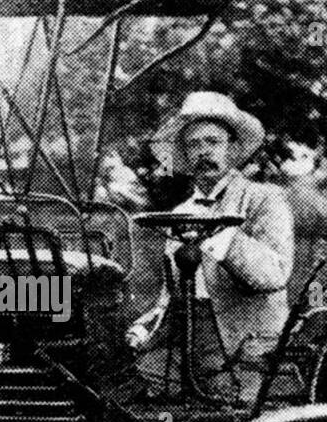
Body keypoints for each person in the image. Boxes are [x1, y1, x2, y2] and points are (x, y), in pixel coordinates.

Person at [126, 91, 295, 404]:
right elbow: (169, 297)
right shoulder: (178, 214)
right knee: (126, 386)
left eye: (213, 142)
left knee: (218, 412)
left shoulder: (264, 199)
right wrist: (142, 329)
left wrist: (215, 231)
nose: (204, 152)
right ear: (185, 155)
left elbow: (274, 274)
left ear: (231, 148)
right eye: (194, 144)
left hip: (244, 342)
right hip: (189, 334)